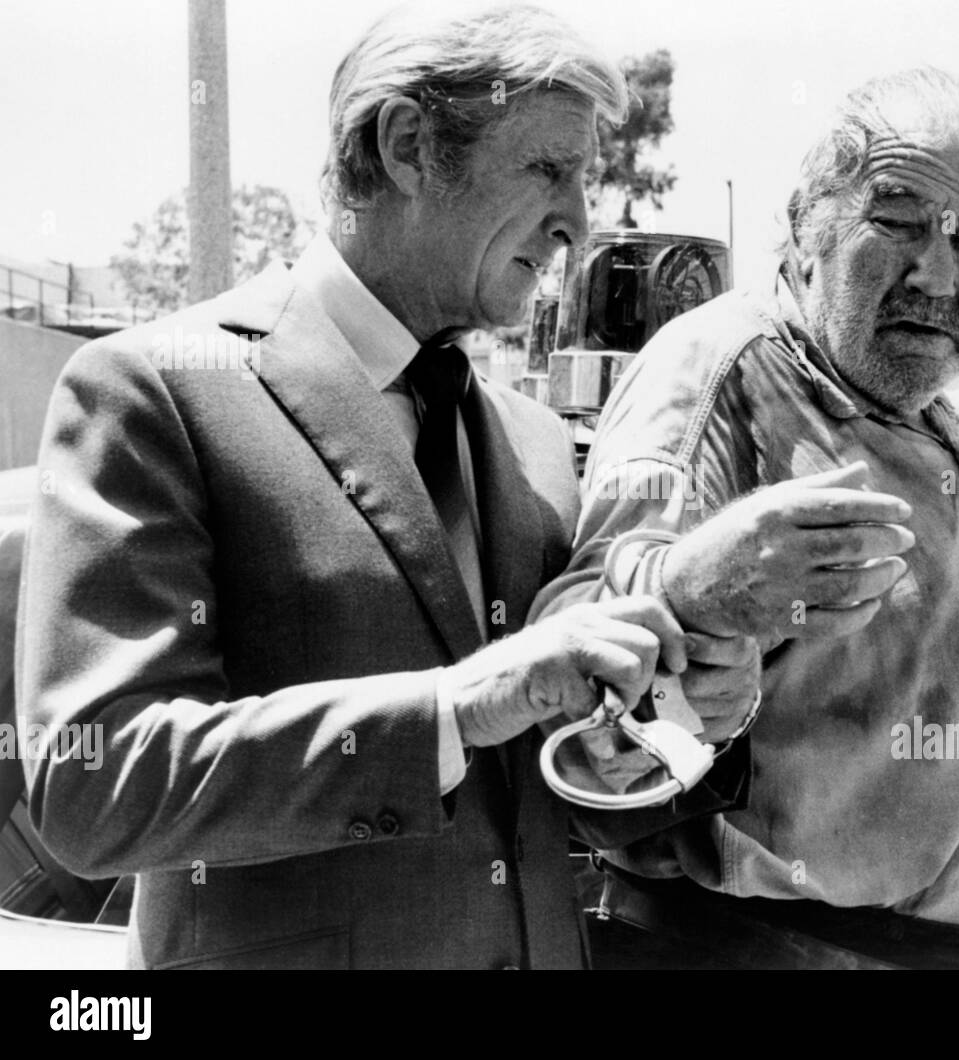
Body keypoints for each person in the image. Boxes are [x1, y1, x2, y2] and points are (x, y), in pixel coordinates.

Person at [15, 2, 755, 970]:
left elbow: (559, 790)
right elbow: (97, 786)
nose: (578, 218)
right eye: (548, 167)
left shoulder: (533, 442)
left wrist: (683, 719)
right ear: (408, 144)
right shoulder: (158, 389)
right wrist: (458, 705)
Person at [531, 67, 959, 970]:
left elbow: (858, 485)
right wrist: (691, 599)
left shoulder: (890, 389)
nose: (935, 269)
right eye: (896, 221)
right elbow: (586, 669)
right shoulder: (717, 375)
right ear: (811, 227)